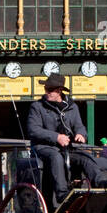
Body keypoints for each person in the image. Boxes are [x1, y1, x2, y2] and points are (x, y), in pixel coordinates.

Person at [26, 74, 89, 202]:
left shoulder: (72, 107)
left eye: (50, 90)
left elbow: (80, 126)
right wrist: (56, 137)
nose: (46, 92)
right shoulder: (37, 107)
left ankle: (102, 182)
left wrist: (81, 134)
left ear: (59, 91)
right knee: (56, 156)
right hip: (44, 148)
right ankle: (62, 193)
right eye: (46, 89)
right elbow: (33, 130)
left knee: (85, 157)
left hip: (66, 149)